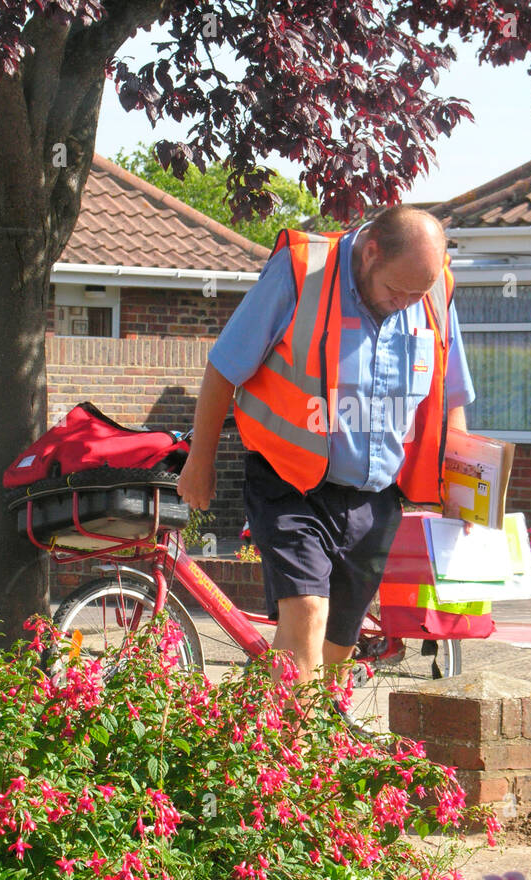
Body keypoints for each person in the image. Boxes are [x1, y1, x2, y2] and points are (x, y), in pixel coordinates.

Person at [176, 205, 475, 681]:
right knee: (307, 612)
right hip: (290, 483)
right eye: (397, 290)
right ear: (371, 252)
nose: (406, 302)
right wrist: (200, 459)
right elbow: (224, 366)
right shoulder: (302, 271)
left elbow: (451, 396)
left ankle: (310, 741)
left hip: (375, 500)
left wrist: (464, 493)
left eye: (416, 294)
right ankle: (284, 751)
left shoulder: (432, 293)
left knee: (337, 652)